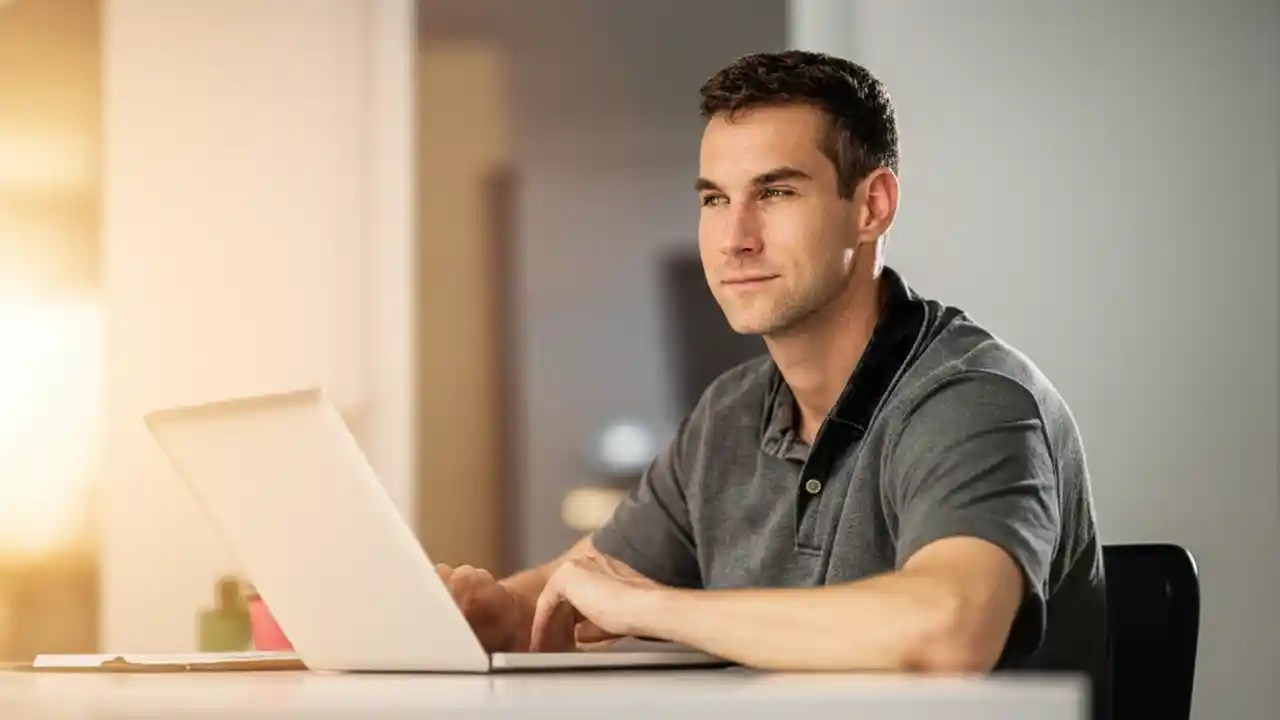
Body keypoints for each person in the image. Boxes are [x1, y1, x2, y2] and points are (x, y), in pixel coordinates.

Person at [436, 50, 1109, 718]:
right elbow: (574, 595)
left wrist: (658, 610)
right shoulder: (729, 414)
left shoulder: (973, 400)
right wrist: (491, 611)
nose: (734, 238)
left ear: (872, 206)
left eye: (776, 192)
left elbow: (949, 630)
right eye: (714, 198)